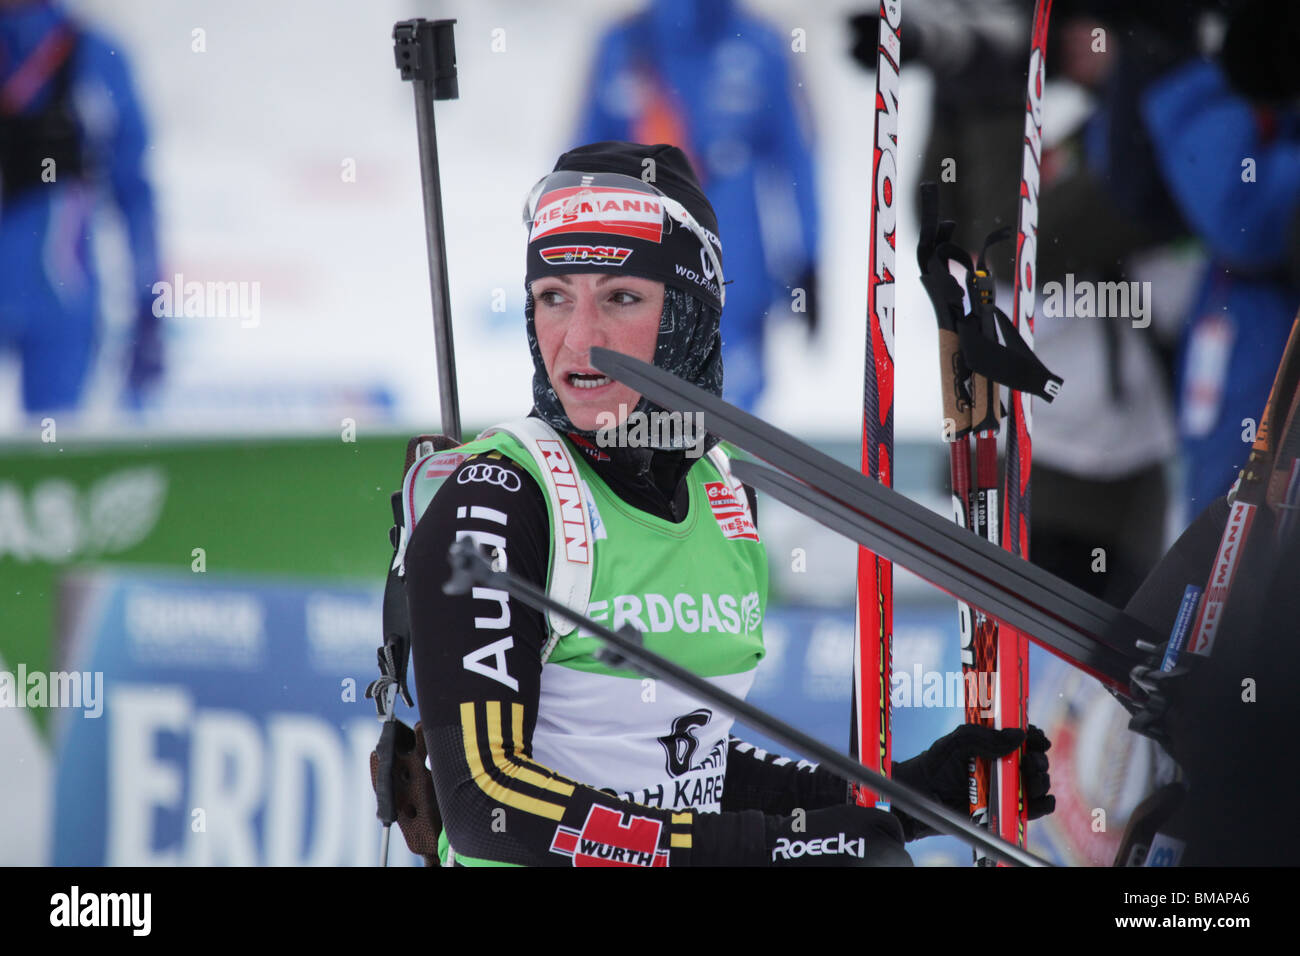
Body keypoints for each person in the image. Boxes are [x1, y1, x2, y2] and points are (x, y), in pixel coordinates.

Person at [403, 141, 1053, 867]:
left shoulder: (722, 493)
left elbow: (690, 768)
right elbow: (483, 803)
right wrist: (764, 852)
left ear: (687, 314)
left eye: (621, 297)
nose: (580, 340)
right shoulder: (501, 500)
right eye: (553, 296)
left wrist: (898, 803)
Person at [573, 0, 820, 412]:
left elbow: (797, 158)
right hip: (643, 270)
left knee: (728, 417)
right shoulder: (622, 45)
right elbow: (581, 165)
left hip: (732, 279)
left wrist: (809, 260)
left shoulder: (762, 46)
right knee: (644, 417)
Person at [0, 0, 163, 413]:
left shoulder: (96, 55)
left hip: (62, 302)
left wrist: (149, 309)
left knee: (56, 455)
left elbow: (134, 193)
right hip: (65, 297)